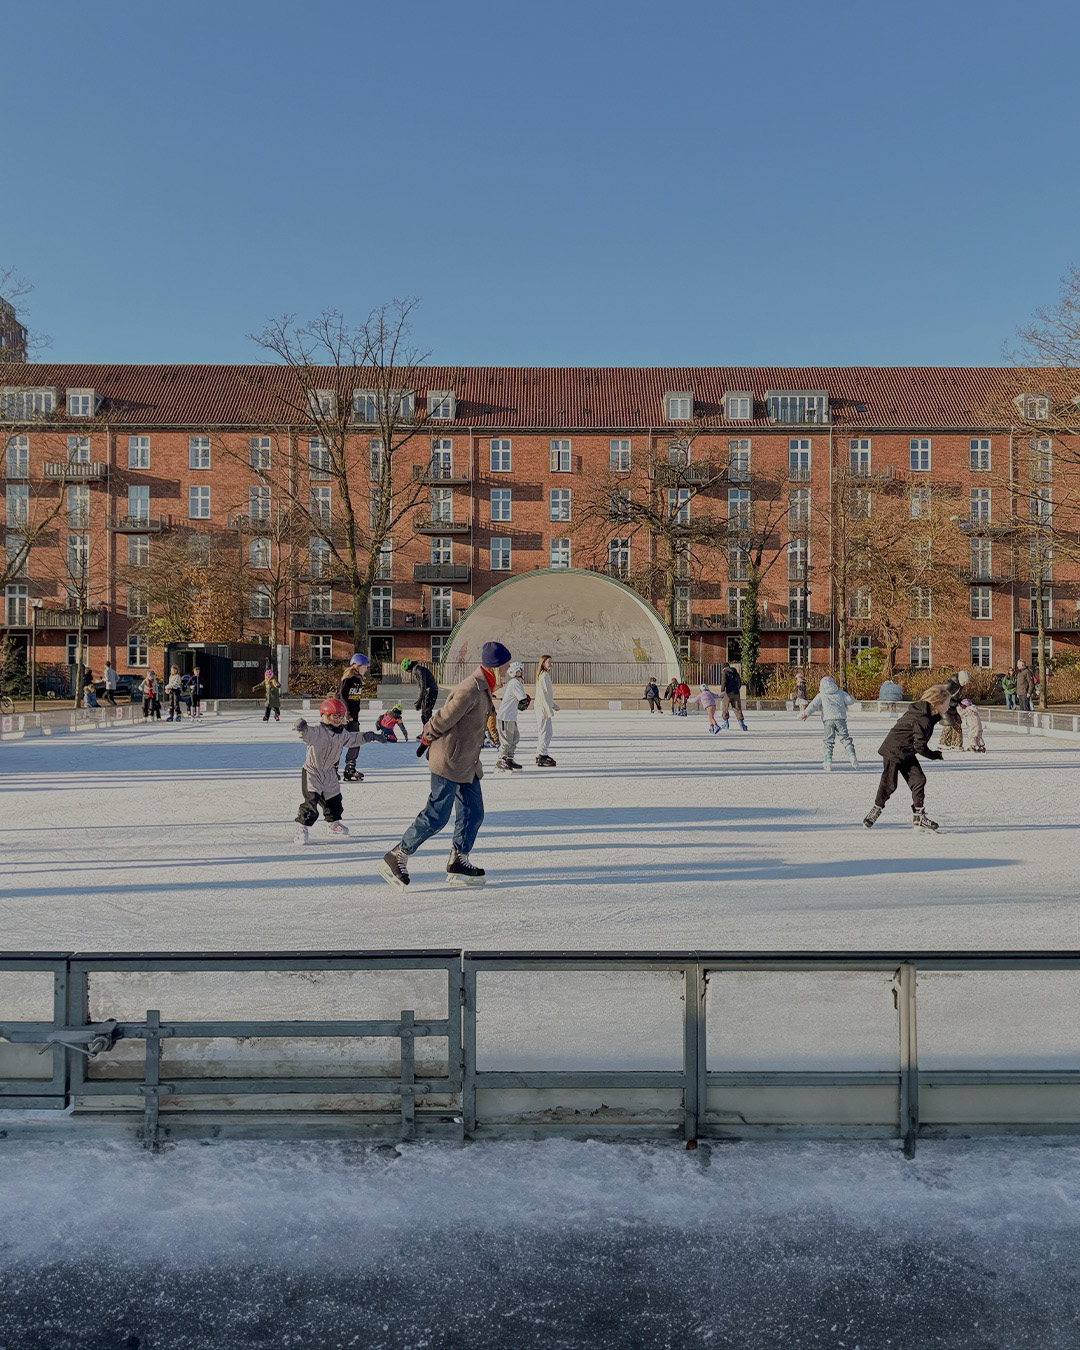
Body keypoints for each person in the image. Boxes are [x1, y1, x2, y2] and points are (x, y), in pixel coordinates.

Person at [379, 640, 510, 890]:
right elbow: (442, 718)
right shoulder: (470, 689)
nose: (507, 670)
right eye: (504, 666)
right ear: (495, 666)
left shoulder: (484, 688)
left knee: (473, 812)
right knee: (437, 816)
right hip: (449, 761)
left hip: (467, 763)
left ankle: (458, 860)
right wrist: (427, 735)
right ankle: (397, 855)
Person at [862, 683, 952, 832]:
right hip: (894, 750)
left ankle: (919, 818)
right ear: (937, 703)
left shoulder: (925, 711)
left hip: (906, 751)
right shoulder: (921, 717)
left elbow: (930, 720)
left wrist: (952, 711)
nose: (948, 707)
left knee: (919, 780)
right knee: (889, 784)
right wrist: (934, 755)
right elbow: (920, 746)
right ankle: (876, 810)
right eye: (947, 704)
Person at [292, 698, 369, 845]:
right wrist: (301, 728)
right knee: (311, 802)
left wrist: (368, 736)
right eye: (334, 716)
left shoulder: (342, 733)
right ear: (324, 716)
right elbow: (306, 734)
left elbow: (353, 739)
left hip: (329, 772)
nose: (338, 719)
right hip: (312, 771)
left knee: (334, 801)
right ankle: (302, 828)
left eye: (341, 716)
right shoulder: (317, 731)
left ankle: (333, 825)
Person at [799, 675, 858, 770]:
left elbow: (813, 705)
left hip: (828, 720)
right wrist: (852, 697)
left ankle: (828, 760)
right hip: (840, 719)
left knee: (828, 741)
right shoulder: (840, 693)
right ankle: (852, 755)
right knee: (845, 738)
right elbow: (850, 701)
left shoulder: (821, 695)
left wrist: (806, 714)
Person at [339, 654, 370, 782]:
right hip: (343, 717)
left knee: (356, 741)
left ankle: (349, 769)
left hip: (354, 717)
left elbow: (355, 701)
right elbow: (341, 696)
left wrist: (355, 715)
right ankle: (332, 768)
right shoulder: (349, 679)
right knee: (337, 743)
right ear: (357, 666)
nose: (366, 669)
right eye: (365, 667)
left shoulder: (358, 680)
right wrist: (347, 714)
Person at [496, 661, 529, 771]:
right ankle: (501, 761)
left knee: (514, 738)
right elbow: (523, 699)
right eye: (520, 670)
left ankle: (509, 759)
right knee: (506, 740)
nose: (522, 672)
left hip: (510, 716)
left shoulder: (512, 682)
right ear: (516, 672)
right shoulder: (515, 683)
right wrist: (525, 702)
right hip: (506, 717)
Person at [534, 653, 558, 767]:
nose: (551, 664)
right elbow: (543, 695)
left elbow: (546, 694)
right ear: (543, 663)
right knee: (545, 732)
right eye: (549, 662)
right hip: (542, 708)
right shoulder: (543, 676)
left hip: (543, 707)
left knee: (546, 731)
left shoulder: (545, 675)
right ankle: (541, 754)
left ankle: (541, 753)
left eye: (551, 662)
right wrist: (548, 709)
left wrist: (552, 704)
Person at [401, 658, 438, 726]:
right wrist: (419, 700)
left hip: (431, 692)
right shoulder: (417, 670)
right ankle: (425, 732)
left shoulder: (419, 670)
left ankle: (430, 733)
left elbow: (423, 685)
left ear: (409, 668)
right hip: (427, 692)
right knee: (424, 715)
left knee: (426, 714)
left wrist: (419, 700)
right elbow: (421, 687)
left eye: (407, 671)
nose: (408, 672)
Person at [719, 662, 747, 731]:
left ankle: (726, 723)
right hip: (736, 693)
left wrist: (722, 692)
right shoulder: (736, 673)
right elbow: (739, 683)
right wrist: (737, 690)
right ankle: (742, 724)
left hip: (727, 693)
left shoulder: (725, 672)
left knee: (725, 708)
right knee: (737, 708)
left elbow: (723, 682)